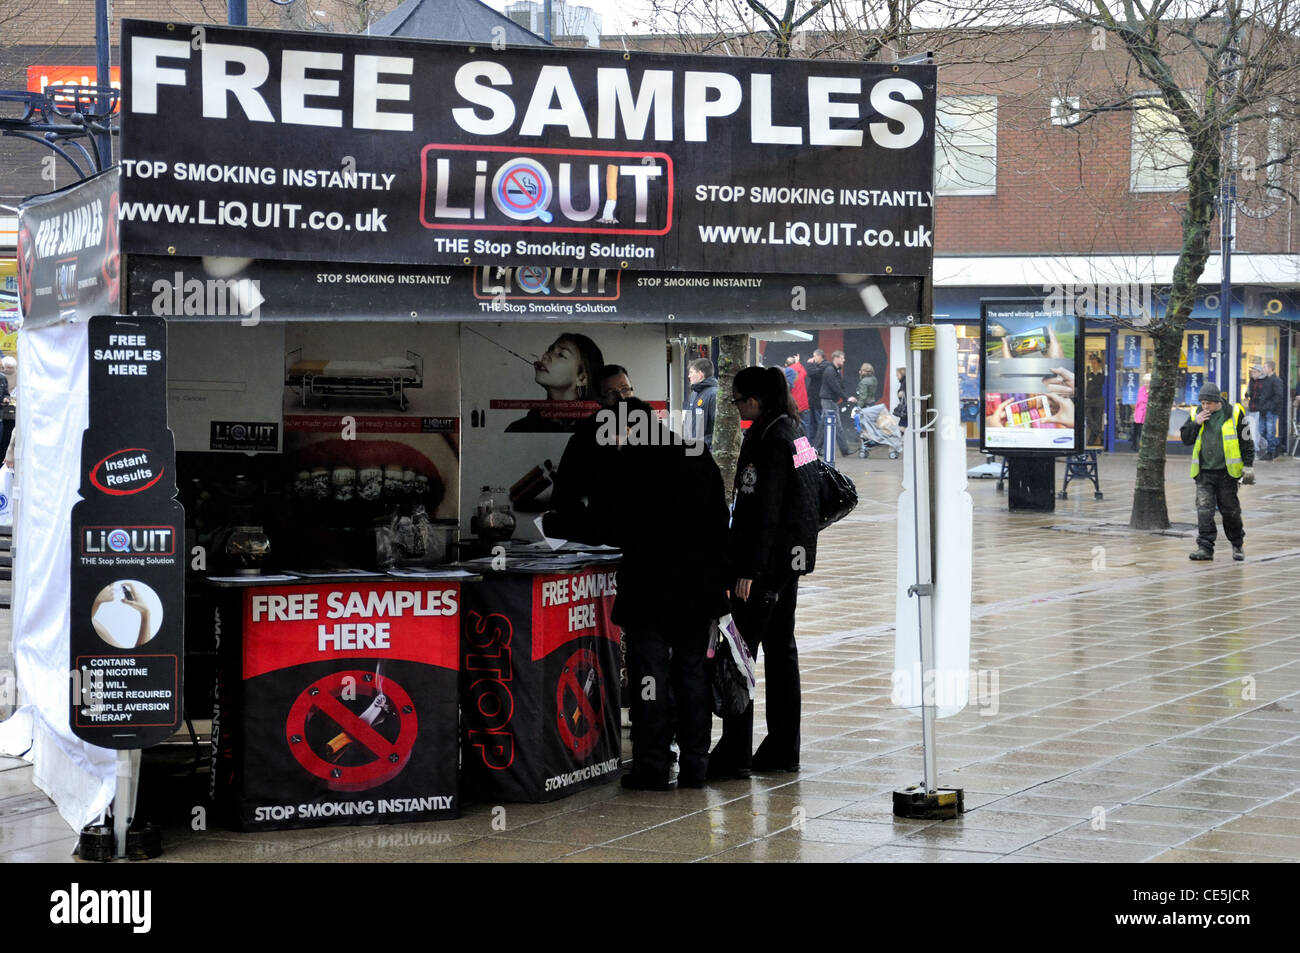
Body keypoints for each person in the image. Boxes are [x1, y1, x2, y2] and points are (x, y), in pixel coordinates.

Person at [548, 397, 730, 790]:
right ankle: (697, 765)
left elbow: (609, 526)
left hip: (651, 587)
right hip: (698, 589)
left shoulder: (629, 465)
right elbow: (720, 519)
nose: (610, 443)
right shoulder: (696, 453)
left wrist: (561, 524)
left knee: (651, 677)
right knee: (692, 674)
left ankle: (653, 765)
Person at [709, 366, 819, 780]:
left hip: (764, 568)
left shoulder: (770, 437)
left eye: (738, 400)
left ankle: (735, 750)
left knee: (742, 655)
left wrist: (750, 569)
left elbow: (765, 509)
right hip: (788, 565)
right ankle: (782, 746)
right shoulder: (795, 430)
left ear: (754, 399)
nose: (737, 407)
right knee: (781, 652)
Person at [1181, 382, 1254, 562]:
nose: (1205, 407)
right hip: (1203, 472)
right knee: (1204, 511)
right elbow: (1186, 438)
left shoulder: (1234, 413)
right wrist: (1196, 423)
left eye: (1209, 403)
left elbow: (1246, 441)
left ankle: (1237, 544)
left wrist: (1248, 465)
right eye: (1203, 403)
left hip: (1227, 473)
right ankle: (1205, 547)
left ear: (1218, 401)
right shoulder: (1196, 413)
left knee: (1230, 511)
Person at [505, 333, 604, 432]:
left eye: (561, 354)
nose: (545, 356)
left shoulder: (600, 429)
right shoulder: (519, 428)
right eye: (550, 350)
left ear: (582, 378)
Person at [818, 350, 854, 461]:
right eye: (842, 358)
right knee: (836, 425)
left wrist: (845, 396)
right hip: (828, 401)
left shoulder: (835, 370)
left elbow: (840, 385)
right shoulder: (830, 370)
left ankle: (816, 448)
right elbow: (835, 386)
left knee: (824, 425)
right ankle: (844, 449)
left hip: (829, 401)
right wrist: (846, 398)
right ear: (836, 358)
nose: (844, 360)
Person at [683, 358, 719, 450]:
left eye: (691, 372)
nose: (689, 376)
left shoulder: (713, 394)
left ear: (700, 375)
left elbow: (717, 426)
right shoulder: (694, 393)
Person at [1258, 360, 1285, 460]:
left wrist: (1270, 407)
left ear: (1270, 368)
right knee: (1261, 431)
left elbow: (1278, 396)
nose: (1263, 369)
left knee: (1270, 432)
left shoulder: (1276, 380)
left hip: (1271, 411)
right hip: (1263, 410)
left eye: (1264, 367)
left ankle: (1271, 452)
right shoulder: (1265, 380)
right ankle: (1277, 445)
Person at [804, 349, 828, 452]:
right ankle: (812, 445)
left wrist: (809, 364)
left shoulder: (825, 366)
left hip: (818, 401)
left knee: (819, 423)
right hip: (813, 400)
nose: (813, 359)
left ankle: (820, 446)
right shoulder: (819, 366)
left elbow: (813, 374)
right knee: (812, 424)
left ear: (820, 356)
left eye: (814, 356)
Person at [785, 354, 812, 441]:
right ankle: (806, 447)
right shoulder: (801, 372)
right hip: (803, 404)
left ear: (786, 365)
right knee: (805, 427)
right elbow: (803, 371)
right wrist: (798, 362)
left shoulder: (787, 374)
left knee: (793, 427)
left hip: (793, 405)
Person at [1084, 353, 1105, 447]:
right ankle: (1101, 434)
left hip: (1099, 400)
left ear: (1099, 364)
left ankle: (1091, 442)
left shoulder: (1103, 375)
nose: (1093, 365)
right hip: (1089, 401)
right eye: (1092, 363)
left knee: (1097, 421)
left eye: (1095, 363)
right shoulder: (1089, 374)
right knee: (1089, 419)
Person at [1131, 373, 1150, 452]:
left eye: (1148, 382)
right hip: (1139, 414)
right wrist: (1135, 413)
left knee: (1145, 432)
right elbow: (1137, 402)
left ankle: (1145, 447)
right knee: (1137, 431)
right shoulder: (1140, 390)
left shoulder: (1153, 392)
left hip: (1147, 414)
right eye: (1145, 382)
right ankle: (1136, 446)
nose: (1146, 384)